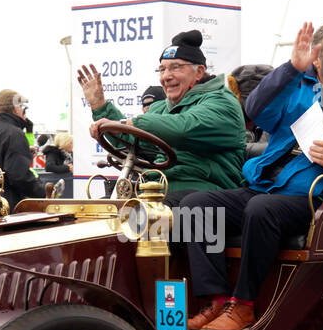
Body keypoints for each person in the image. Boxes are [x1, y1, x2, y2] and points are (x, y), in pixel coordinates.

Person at [182, 20, 323, 330]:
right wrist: (289, 69)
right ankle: (216, 300)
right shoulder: (298, 86)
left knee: (261, 210)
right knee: (196, 206)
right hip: (268, 185)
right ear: (317, 59)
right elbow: (256, 110)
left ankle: (243, 306)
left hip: (316, 199)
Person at [79, 29, 246, 205]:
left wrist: (132, 123)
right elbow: (130, 140)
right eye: (162, 69)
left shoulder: (222, 101)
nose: (166, 76)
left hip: (208, 193)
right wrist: (100, 106)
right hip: (159, 188)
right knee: (106, 207)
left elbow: (184, 128)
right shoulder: (160, 108)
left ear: (199, 72)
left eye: (176, 67)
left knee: (153, 211)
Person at [0, 90, 46, 209]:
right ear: (16, 108)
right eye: (22, 106)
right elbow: (19, 176)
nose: (23, 110)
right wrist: (43, 192)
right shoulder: (14, 134)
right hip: (6, 205)